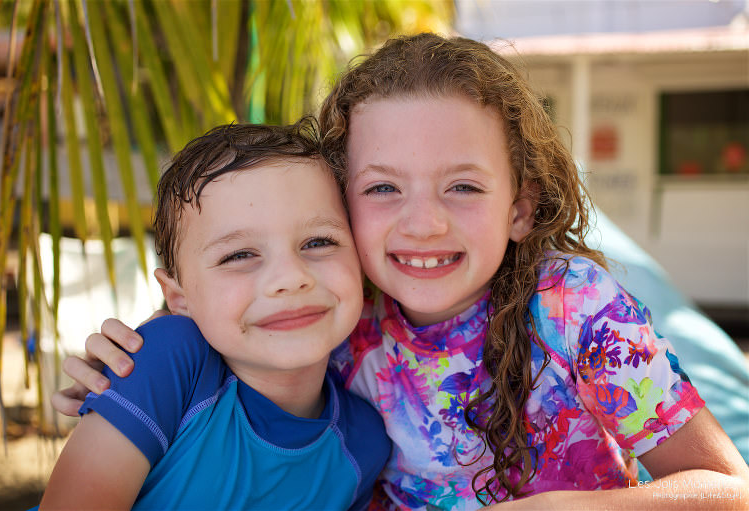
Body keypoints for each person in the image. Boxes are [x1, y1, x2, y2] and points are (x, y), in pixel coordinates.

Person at [53, 34, 749, 510]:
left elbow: (728, 486)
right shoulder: (343, 311)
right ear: (341, 200)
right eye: (384, 188)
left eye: (464, 187)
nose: (423, 223)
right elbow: (236, 328)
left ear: (521, 204)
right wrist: (128, 353)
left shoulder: (574, 307)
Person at [39, 122, 391, 511]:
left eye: (319, 242)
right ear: (178, 296)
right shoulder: (170, 359)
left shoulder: (365, 443)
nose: (290, 278)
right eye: (239, 255)